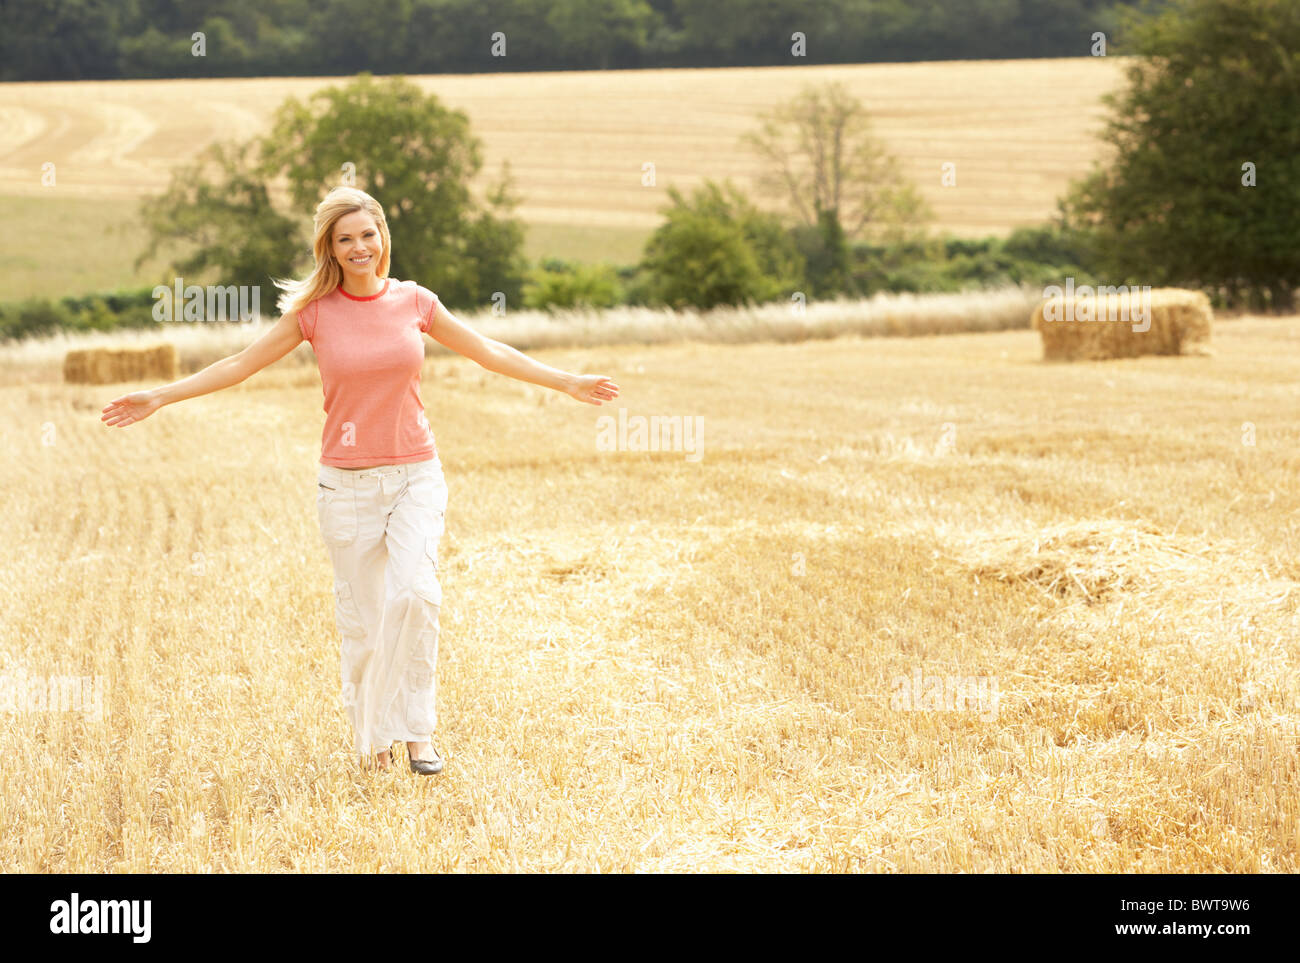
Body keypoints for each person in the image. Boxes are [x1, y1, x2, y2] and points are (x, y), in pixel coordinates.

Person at [101, 185, 620, 775]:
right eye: (344, 239)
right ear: (330, 248)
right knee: (366, 624)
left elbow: (487, 350)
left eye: (367, 235)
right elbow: (239, 365)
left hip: (415, 475)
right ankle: (374, 740)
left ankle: (418, 734)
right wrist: (159, 396)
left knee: (418, 596)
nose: (359, 247)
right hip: (345, 487)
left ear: (383, 238)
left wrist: (567, 381)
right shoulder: (314, 315)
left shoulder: (415, 302)